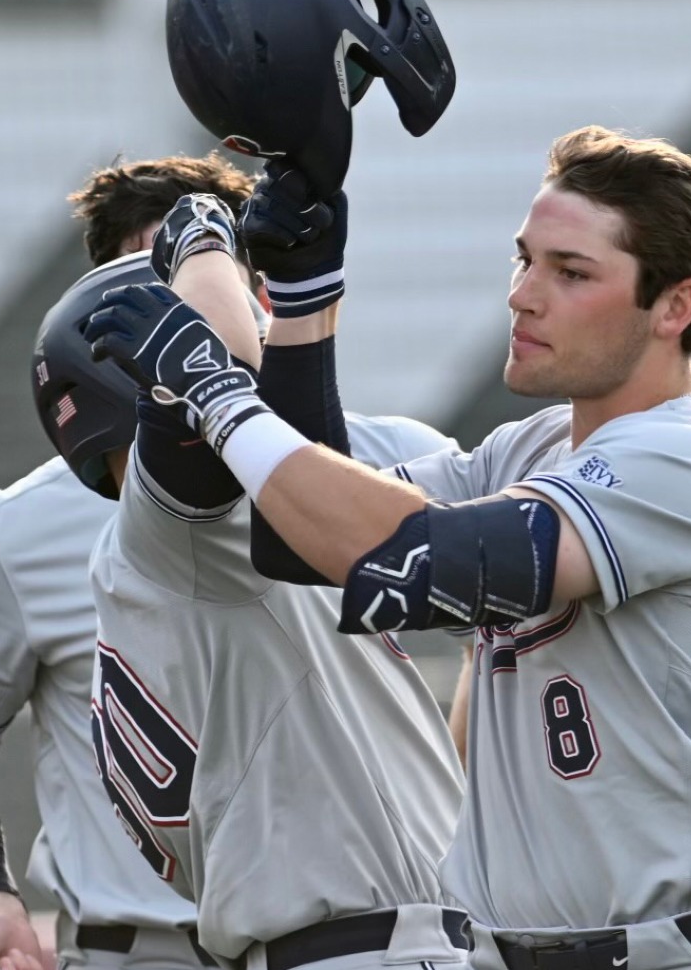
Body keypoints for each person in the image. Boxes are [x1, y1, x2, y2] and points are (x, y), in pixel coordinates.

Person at [86, 128, 691, 970]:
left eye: (572, 272)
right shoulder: (528, 449)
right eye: (525, 259)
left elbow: (419, 564)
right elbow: (298, 541)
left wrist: (224, 398)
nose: (523, 294)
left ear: (675, 306)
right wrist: (302, 299)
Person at [73, 191, 471, 970]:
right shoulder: (180, 527)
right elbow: (222, 360)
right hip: (366, 945)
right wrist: (202, 226)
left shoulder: (148, 557)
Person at [0, 155, 255, 970]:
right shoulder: (10, 535)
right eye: (154, 286)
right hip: (142, 949)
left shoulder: (374, 468)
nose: (184, 316)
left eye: (206, 273)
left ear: (256, 294)